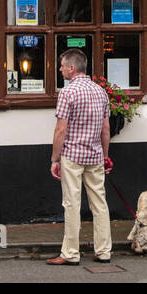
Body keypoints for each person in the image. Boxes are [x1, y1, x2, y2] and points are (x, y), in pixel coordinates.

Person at [46, 50, 113, 265]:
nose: (60, 69)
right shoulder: (100, 92)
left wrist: (55, 159)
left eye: (62, 66)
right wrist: (105, 156)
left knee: (72, 204)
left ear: (72, 68)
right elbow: (105, 129)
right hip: (94, 155)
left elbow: (60, 130)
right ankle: (103, 252)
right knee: (99, 203)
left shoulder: (67, 93)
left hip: (72, 155)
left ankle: (71, 253)